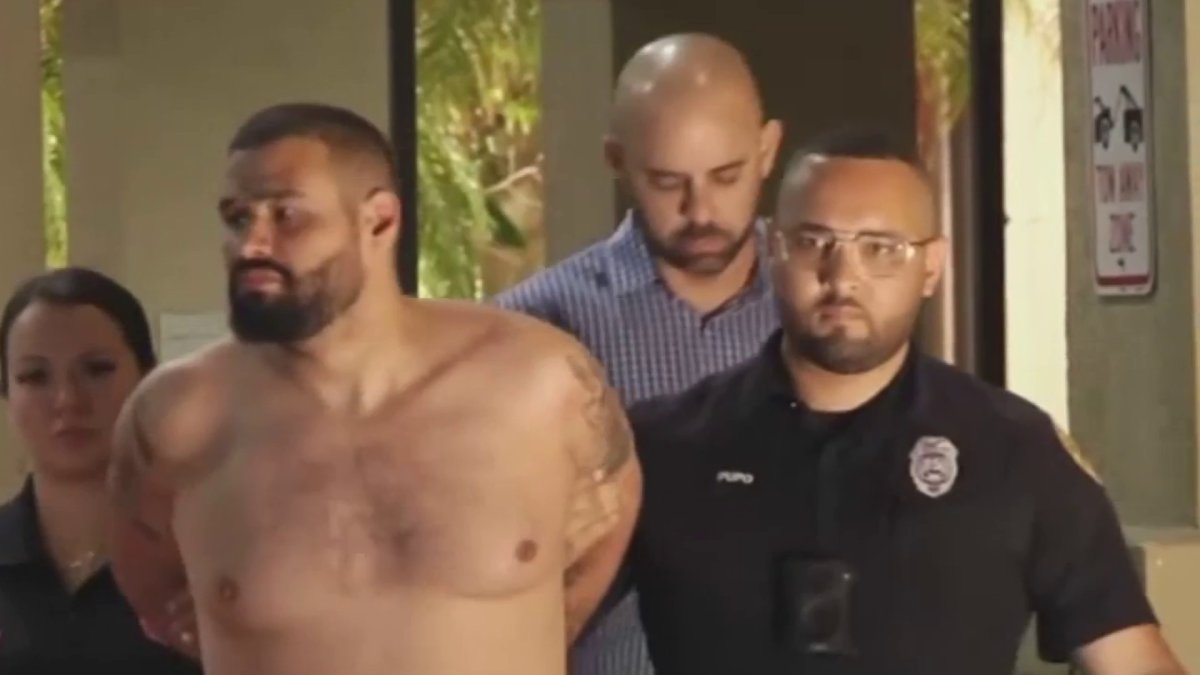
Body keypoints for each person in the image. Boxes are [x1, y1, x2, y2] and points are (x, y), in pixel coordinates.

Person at [105, 103, 641, 675]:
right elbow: (154, 591)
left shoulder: (541, 382)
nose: (252, 246)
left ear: (379, 222)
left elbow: (605, 536)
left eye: (287, 216)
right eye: (237, 219)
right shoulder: (179, 417)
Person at [627, 128, 1184, 675]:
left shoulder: (1013, 449)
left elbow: (1134, 662)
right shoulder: (666, 445)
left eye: (881, 249)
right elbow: (570, 610)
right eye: (815, 242)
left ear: (931, 267)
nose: (843, 277)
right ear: (774, 250)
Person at [493, 33, 781, 675]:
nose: (701, 210)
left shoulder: (822, 307)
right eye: (667, 181)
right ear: (617, 161)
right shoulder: (536, 328)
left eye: (727, 176)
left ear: (768, 150)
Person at [0, 267, 200, 674]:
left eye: (97, 369)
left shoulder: (207, 556)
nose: (67, 400)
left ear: (147, 377)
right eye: (35, 376)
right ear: (7, 394)